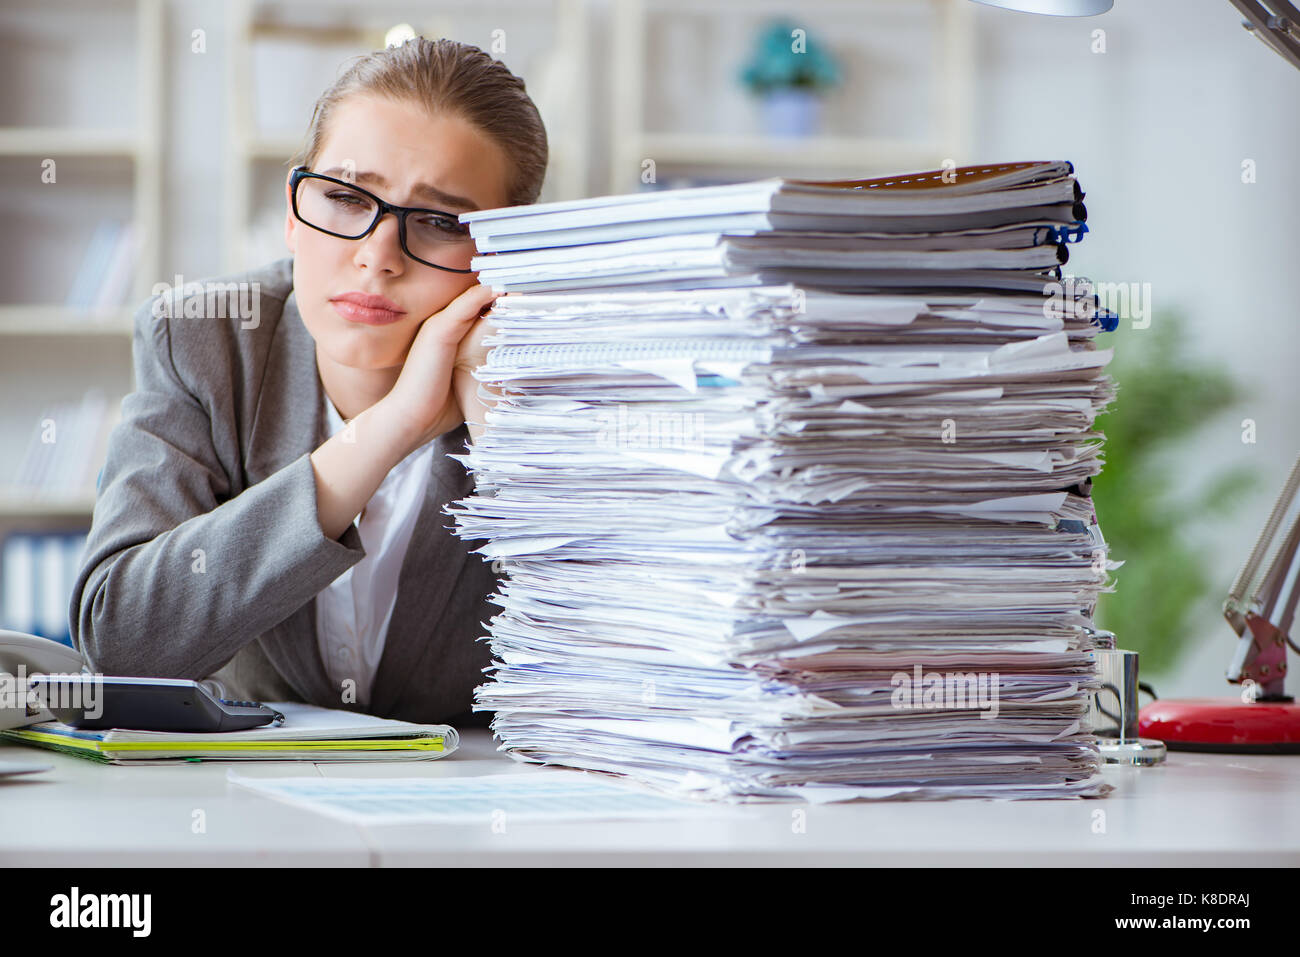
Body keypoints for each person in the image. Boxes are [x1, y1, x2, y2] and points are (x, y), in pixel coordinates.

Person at [67, 37, 548, 725]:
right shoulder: (205, 342)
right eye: (346, 198)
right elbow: (122, 643)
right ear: (294, 214)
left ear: (508, 253)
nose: (377, 257)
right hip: (246, 790)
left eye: (442, 221)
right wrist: (386, 431)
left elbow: (632, 653)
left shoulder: (555, 378)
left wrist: (508, 444)